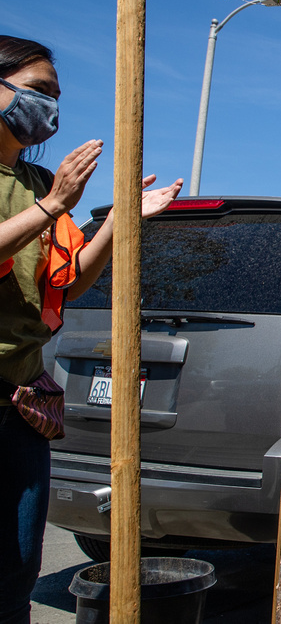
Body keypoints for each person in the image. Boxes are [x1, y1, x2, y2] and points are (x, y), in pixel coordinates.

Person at [0, 35, 181, 624]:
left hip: (22, 403)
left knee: (15, 573)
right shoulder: (47, 195)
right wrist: (54, 206)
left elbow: (69, 280)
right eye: (38, 92)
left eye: (56, 96)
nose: (50, 108)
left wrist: (124, 215)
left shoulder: (35, 181)